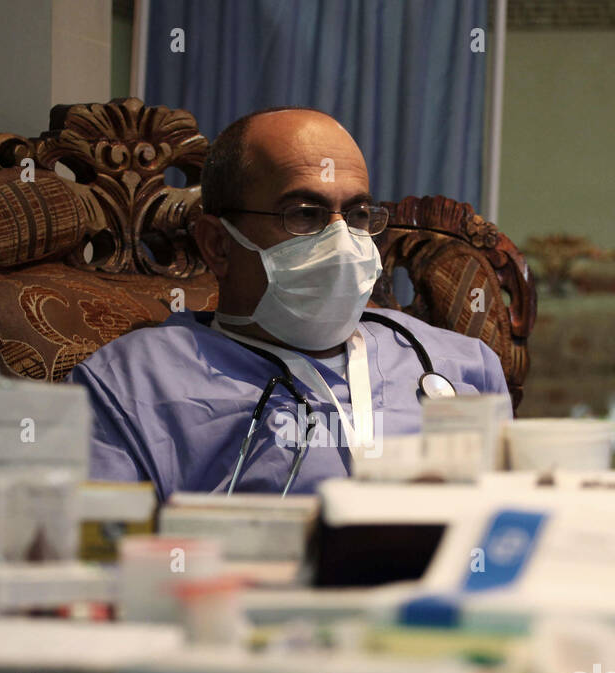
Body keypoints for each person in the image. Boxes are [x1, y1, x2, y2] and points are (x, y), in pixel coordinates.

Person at [70, 106, 509, 500]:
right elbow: (98, 551)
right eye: (304, 214)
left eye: (357, 214)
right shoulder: (129, 385)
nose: (342, 242)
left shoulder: (460, 364)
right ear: (218, 244)